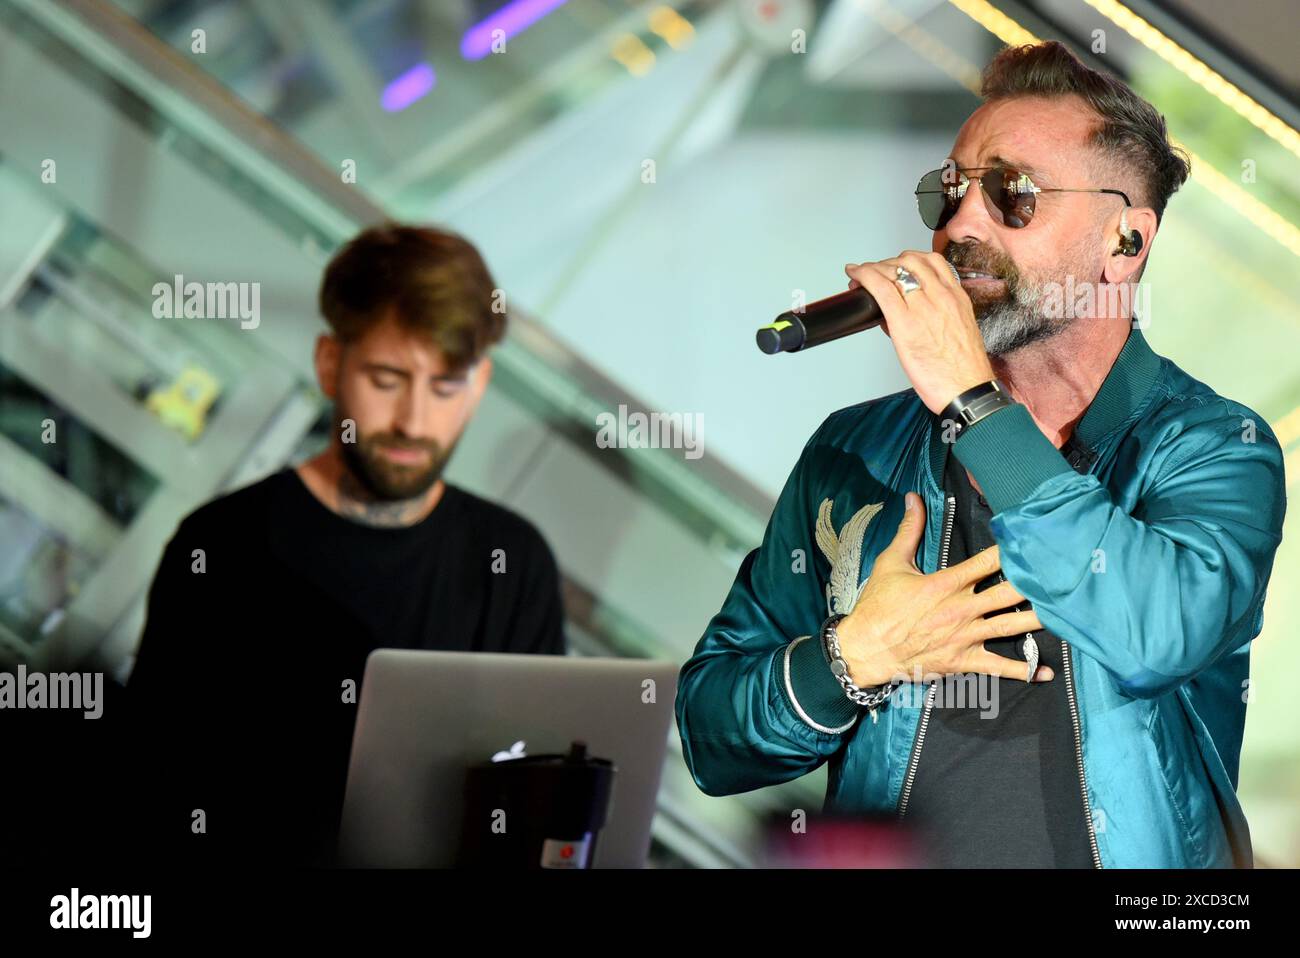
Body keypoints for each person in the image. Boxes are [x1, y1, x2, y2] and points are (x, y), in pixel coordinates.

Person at [675, 41, 1285, 868]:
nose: (960, 223)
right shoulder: (856, 451)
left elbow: (1159, 633)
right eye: (950, 189)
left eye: (1013, 193)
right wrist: (854, 658)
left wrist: (974, 405)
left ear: (1126, 241)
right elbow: (713, 735)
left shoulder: (1213, 447)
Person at [128, 223, 566, 867]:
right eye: (387, 379)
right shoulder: (224, 546)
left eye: (445, 387)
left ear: (477, 387)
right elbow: (152, 789)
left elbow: (532, 798)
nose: (413, 422)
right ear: (330, 364)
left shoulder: (514, 564)